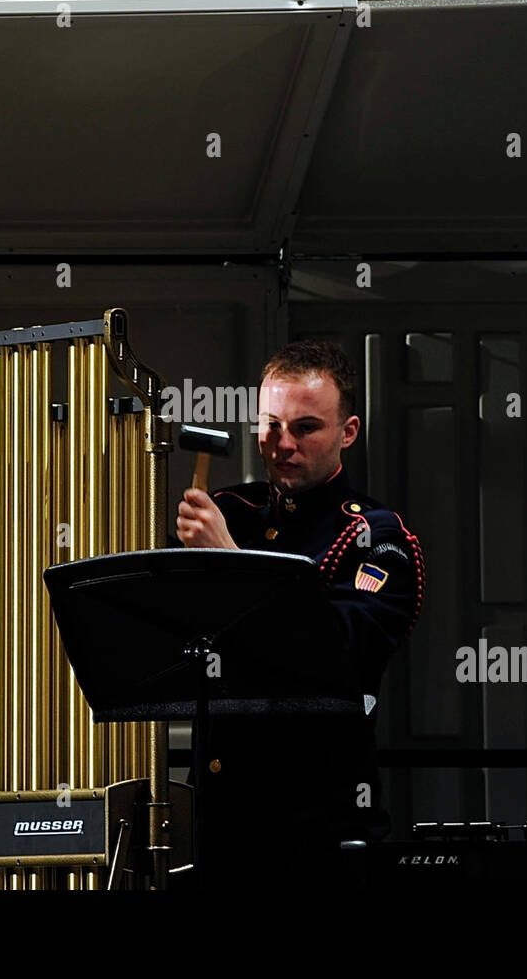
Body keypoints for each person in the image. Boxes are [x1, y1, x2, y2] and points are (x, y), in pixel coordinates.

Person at [174, 340, 425, 888]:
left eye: (305, 427)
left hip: (319, 832)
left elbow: (339, 653)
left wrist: (231, 564)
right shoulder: (227, 512)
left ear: (348, 432)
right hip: (217, 828)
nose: (281, 444)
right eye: (270, 425)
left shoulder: (376, 536)